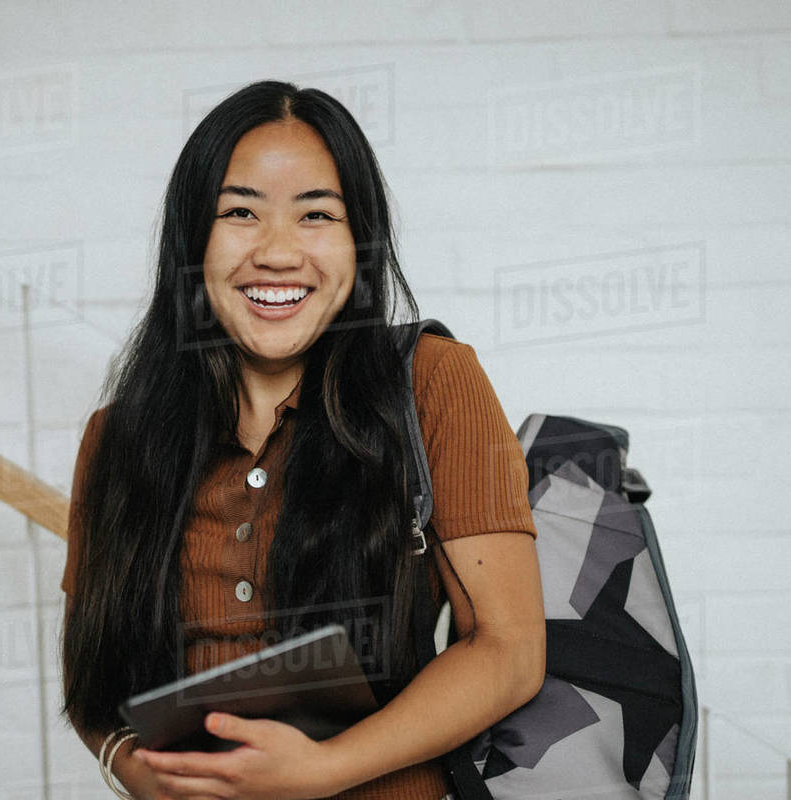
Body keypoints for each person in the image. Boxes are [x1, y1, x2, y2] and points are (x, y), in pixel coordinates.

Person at [59, 80, 545, 800]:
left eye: (316, 214)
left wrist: (321, 772)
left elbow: (508, 651)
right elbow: (92, 680)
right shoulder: (116, 439)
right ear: (193, 241)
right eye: (239, 213)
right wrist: (132, 769)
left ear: (360, 242)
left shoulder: (433, 383)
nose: (278, 252)